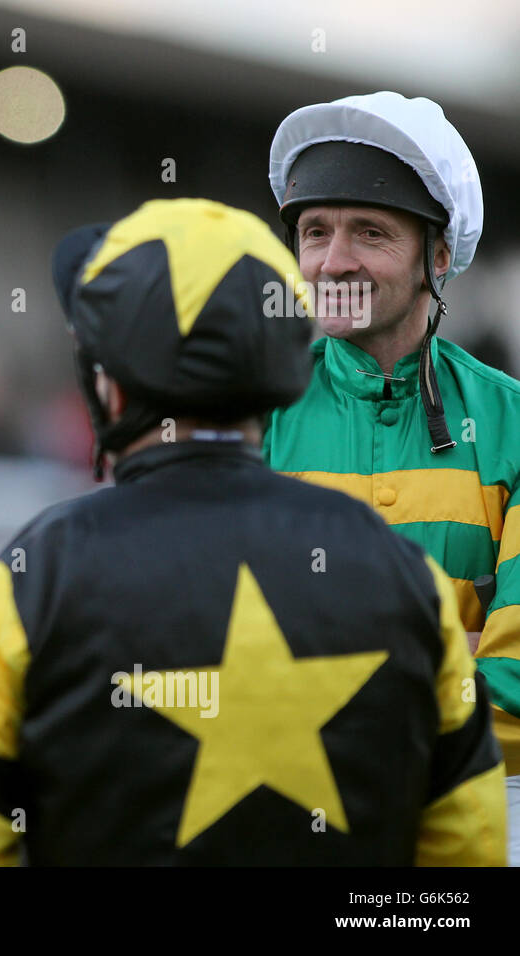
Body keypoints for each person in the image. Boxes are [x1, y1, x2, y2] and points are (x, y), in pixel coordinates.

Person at [0, 198, 506, 865]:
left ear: (107, 389)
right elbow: (464, 865)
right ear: (286, 374)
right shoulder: (409, 579)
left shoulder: (34, 577)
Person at [260, 91, 520, 862]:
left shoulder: (511, 426)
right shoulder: (246, 416)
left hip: (479, 807)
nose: (334, 260)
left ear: (438, 257)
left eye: (369, 232)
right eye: (315, 233)